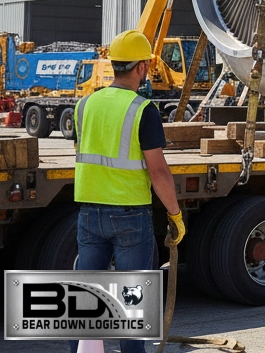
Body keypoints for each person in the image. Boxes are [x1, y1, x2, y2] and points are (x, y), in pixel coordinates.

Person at [71, 30, 185, 353]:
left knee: (84, 303)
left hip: (89, 215)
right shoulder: (143, 110)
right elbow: (158, 171)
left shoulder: (85, 105)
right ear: (142, 68)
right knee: (131, 307)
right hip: (130, 217)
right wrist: (175, 215)